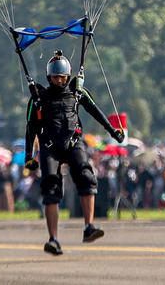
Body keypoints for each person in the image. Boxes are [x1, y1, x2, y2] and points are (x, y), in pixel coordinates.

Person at [23, 50, 125, 256]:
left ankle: (89, 227)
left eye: (62, 76)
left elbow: (96, 112)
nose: (59, 80)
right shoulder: (38, 98)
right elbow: (30, 128)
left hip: (73, 143)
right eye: (55, 76)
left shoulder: (77, 93)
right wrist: (28, 156)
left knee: (86, 176)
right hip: (49, 146)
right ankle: (53, 239)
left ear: (68, 76)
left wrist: (113, 131)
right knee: (51, 186)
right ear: (48, 77)